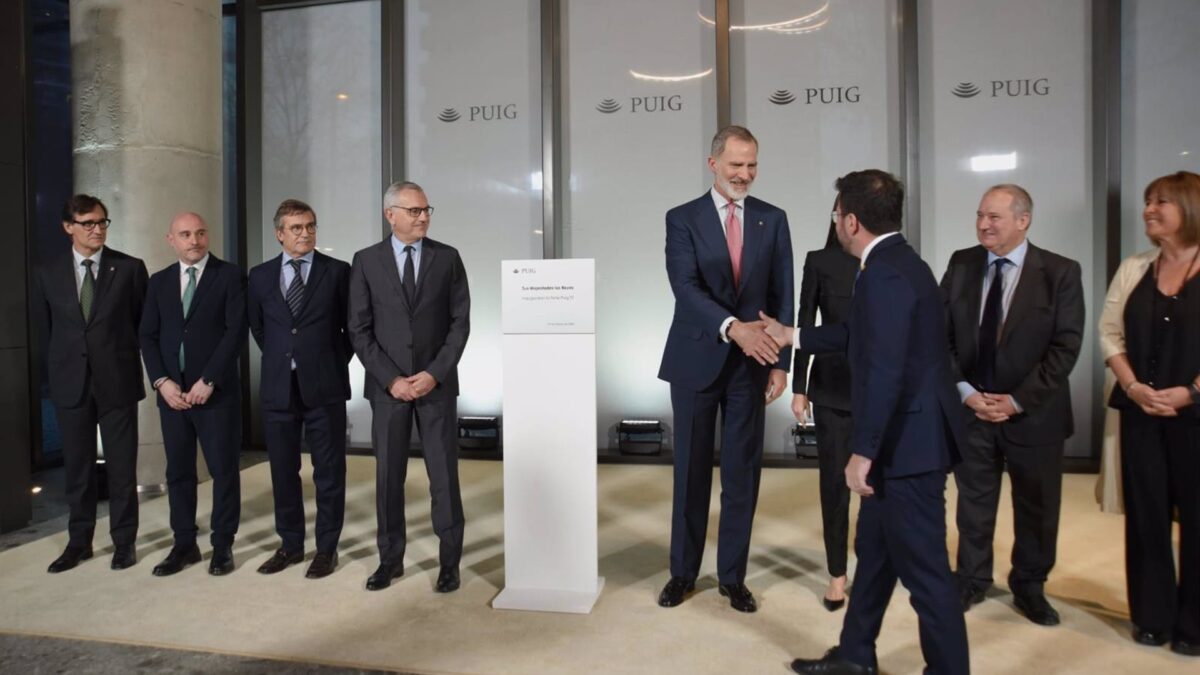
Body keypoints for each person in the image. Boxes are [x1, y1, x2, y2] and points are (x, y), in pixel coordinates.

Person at [764, 170, 969, 675]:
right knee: (874, 555)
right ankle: (856, 655)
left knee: (927, 575)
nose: (836, 223)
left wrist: (864, 452)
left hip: (908, 448)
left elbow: (884, 370)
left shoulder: (886, 274)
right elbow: (859, 334)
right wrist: (793, 336)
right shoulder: (896, 262)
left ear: (851, 220)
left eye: (837, 215)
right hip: (907, 439)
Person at [657, 125, 794, 614]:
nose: (745, 174)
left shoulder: (773, 219)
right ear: (713, 163)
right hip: (696, 359)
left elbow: (783, 293)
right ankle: (682, 572)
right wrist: (731, 326)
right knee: (690, 474)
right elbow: (685, 286)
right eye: (736, 164)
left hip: (753, 366)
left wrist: (781, 362)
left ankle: (733, 576)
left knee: (743, 475)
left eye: (752, 164)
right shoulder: (682, 218)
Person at [940, 185, 1084, 626]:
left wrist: (1017, 401)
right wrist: (965, 390)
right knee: (974, 504)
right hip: (973, 408)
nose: (984, 224)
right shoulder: (962, 263)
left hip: (1034, 413)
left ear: (1023, 221)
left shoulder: (1059, 271)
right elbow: (939, 334)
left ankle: (1030, 586)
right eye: (980, 215)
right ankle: (971, 578)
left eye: (995, 217)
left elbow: (1065, 347)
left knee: (1037, 506)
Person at [348, 181, 470, 593]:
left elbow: (460, 323)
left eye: (426, 210)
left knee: (443, 479)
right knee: (388, 479)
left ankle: (449, 563)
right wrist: (391, 379)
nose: (423, 217)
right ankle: (390, 561)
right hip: (388, 391)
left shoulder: (448, 258)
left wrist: (434, 373)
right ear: (391, 215)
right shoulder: (365, 261)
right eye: (414, 211)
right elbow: (359, 329)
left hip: (436, 387)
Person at [1100, 170, 1200, 657]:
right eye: (1147, 201)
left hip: (1196, 416)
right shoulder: (1135, 266)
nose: (1149, 210)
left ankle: (1194, 624)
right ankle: (1152, 617)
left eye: (1162, 201)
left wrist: (1189, 393)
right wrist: (1134, 385)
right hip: (1140, 412)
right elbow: (1109, 333)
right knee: (1146, 517)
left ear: (1191, 208)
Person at [35, 195, 148, 573]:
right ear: (69, 226)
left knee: (121, 469)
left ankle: (124, 543)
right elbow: (49, 331)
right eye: (88, 223)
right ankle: (79, 543)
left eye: (102, 222)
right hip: (71, 385)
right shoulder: (48, 272)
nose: (97, 229)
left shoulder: (129, 269)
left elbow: (139, 326)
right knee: (78, 470)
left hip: (117, 382)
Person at [247, 199, 352, 579]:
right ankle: (290, 545)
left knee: (328, 471)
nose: (305, 233)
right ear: (279, 234)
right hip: (278, 388)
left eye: (310, 226)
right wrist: (284, 358)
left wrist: (328, 362)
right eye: (296, 228)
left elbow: (351, 330)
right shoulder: (258, 276)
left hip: (325, 386)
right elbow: (260, 328)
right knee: (282, 471)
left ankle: (327, 549)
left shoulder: (338, 272)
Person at [139, 212, 247, 577]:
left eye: (200, 233)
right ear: (171, 239)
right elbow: (147, 337)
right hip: (172, 396)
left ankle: (222, 546)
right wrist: (162, 382)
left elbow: (234, 333)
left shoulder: (230, 276)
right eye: (185, 234)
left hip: (214, 394)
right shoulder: (158, 283)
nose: (194, 240)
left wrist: (209, 380)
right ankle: (184, 544)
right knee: (179, 473)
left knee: (223, 471)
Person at [792, 214, 859, 611]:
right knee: (834, 486)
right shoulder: (820, 261)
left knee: (879, 487)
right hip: (832, 387)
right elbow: (804, 324)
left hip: (881, 392)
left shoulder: (887, 261)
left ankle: (873, 564)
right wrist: (799, 388)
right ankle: (837, 574)